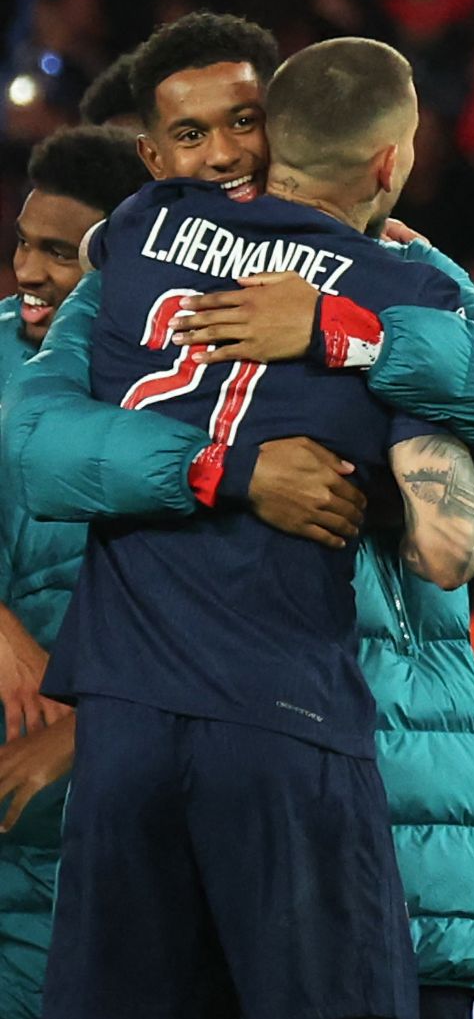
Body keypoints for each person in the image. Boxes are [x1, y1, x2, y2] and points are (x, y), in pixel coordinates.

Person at [5, 15, 474, 1019]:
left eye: (241, 123)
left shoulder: (135, 241)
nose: (219, 154)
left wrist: (339, 330)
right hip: (290, 719)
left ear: (277, 127)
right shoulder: (408, 286)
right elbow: (460, 527)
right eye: (189, 135)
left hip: (198, 728)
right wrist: (236, 469)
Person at [0, 128, 147, 1019]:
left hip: (98, 817)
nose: (28, 268)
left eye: (59, 251)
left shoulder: (174, 388)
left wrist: (95, 724)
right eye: (23, 239)